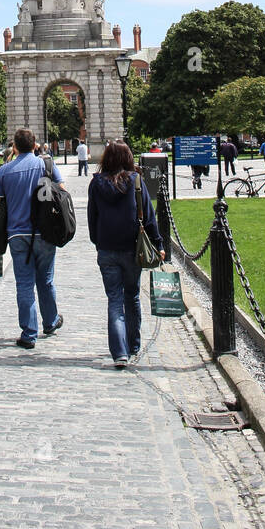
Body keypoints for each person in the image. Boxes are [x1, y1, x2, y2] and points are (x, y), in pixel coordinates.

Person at [87, 140, 165, 368]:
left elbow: (92, 217)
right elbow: (148, 217)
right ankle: (133, 345)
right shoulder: (136, 181)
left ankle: (119, 352)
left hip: (107, 248)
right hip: (133, 248)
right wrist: (158, 244)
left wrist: (97, 241)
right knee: (131, 296)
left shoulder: (96, 184)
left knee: (114, 299)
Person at [0, 127, 64, 349]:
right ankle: (50, 322)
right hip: (45, 232)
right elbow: (61, 190)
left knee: (24, 283)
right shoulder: (47, 165)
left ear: (14, 146)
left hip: (18, 233)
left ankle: (29, 333)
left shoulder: (5, 170)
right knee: (46, 280)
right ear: (34, 145)